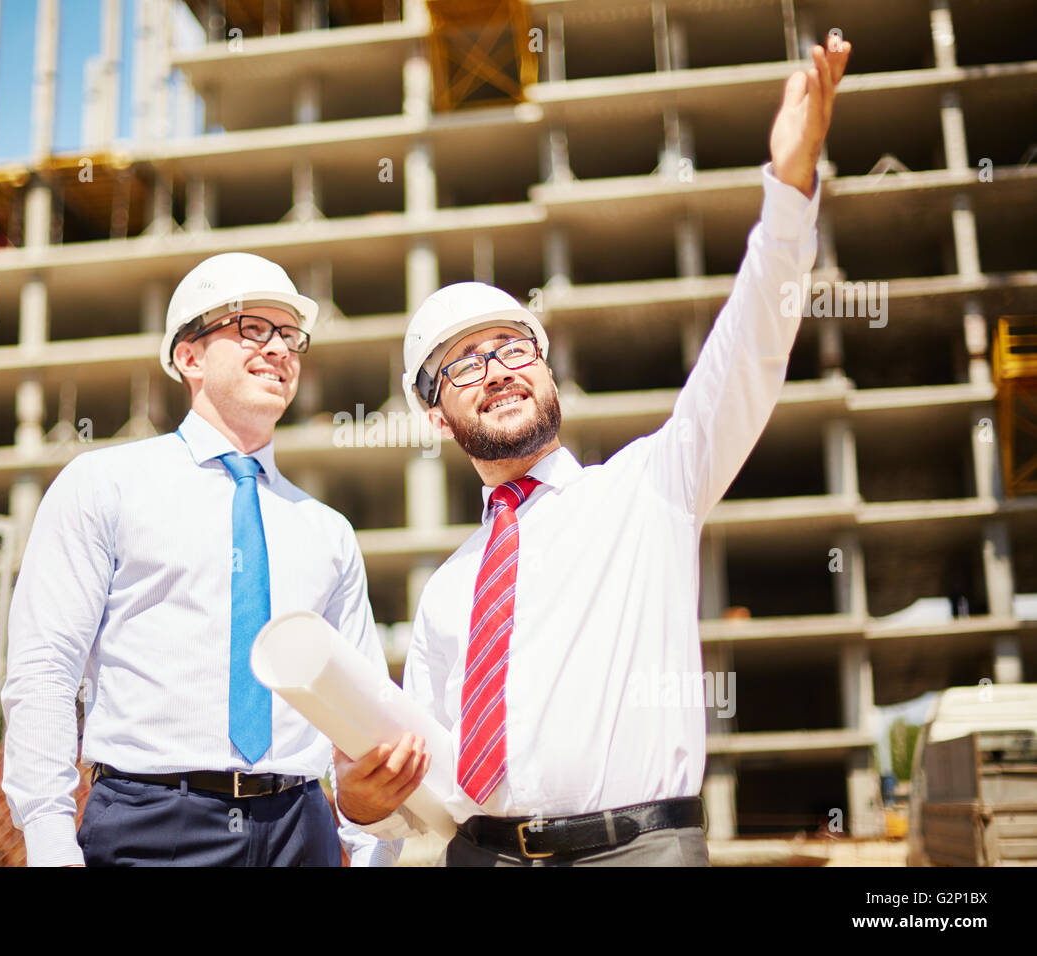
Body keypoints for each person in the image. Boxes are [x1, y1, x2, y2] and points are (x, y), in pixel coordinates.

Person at [335, 36, 853, 865]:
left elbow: (748, 353)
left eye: (513, 348)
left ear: (547, 372)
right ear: (435, 416)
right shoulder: (449, 592)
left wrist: (788, 194)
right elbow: (424, 791)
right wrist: (363, 810)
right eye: (462, 365)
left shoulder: (651, 489)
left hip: (637, 851)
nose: (496, 371)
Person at [1, 252, 399, 866]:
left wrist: (374, 850)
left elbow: (360, 707)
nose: (279, 349)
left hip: (302, 826)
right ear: (189, 357)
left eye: (289, 335)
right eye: (252, 329)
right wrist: (50, 843)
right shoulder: (104, 485)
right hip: (155, 824)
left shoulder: (327, 531)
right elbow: (46, 670)